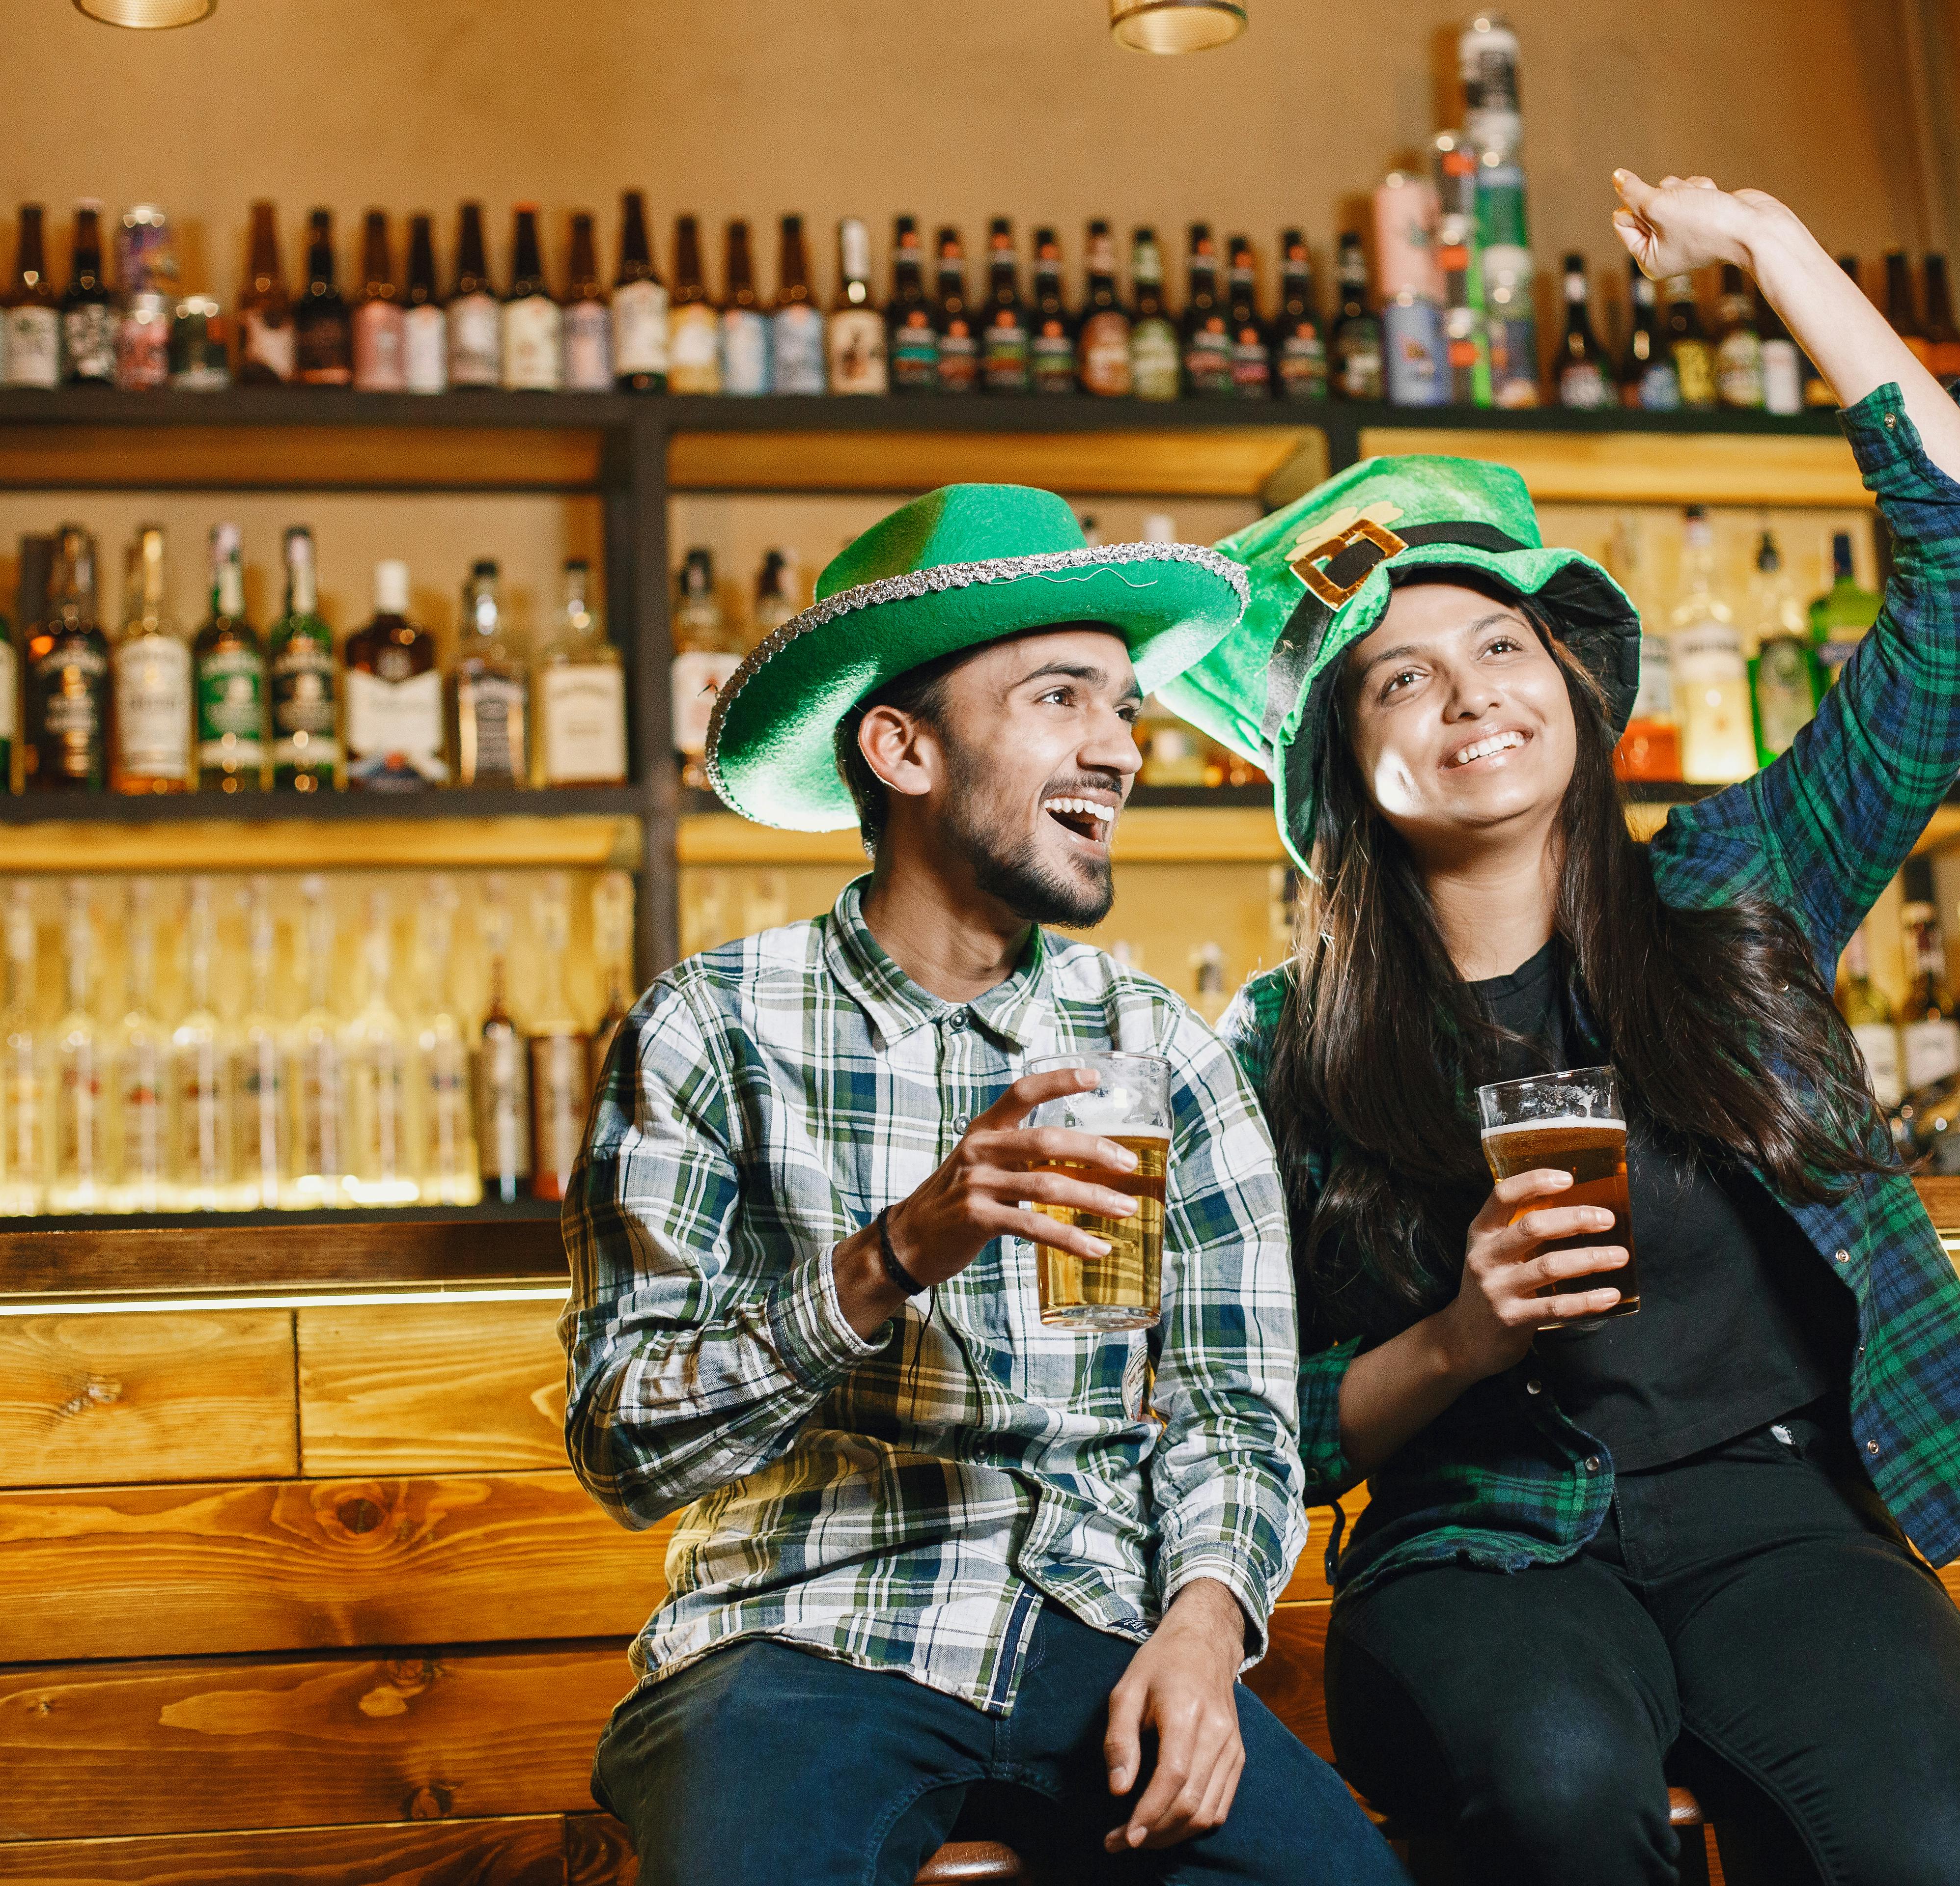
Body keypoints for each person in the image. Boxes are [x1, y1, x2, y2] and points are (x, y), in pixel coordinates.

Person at [1158, 171, 1960, 1885]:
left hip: (1786, 1518)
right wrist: (1458, 1339)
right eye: (1400, 677)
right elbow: (1238, 1415)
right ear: (1348, 767)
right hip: (1479, 1549)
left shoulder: (1741, 892)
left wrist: (1777, 250)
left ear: (1569, 689)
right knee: (1563, 1793)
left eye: (1499, 643)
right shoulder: (1280, 1047)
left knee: (1956, 1861)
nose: (1469, 689)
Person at [560, 484, 1400, 1886]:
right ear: (902, 747)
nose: (1118, 750)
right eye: (1062, 697)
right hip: (798, 1634)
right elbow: (622, 1445)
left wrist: (1202, 1632)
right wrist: (890, 1258)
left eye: (1125, 709)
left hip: (1101, 1630)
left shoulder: (1164, 1054)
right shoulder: (711, 1027)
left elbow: (1235, 1417)